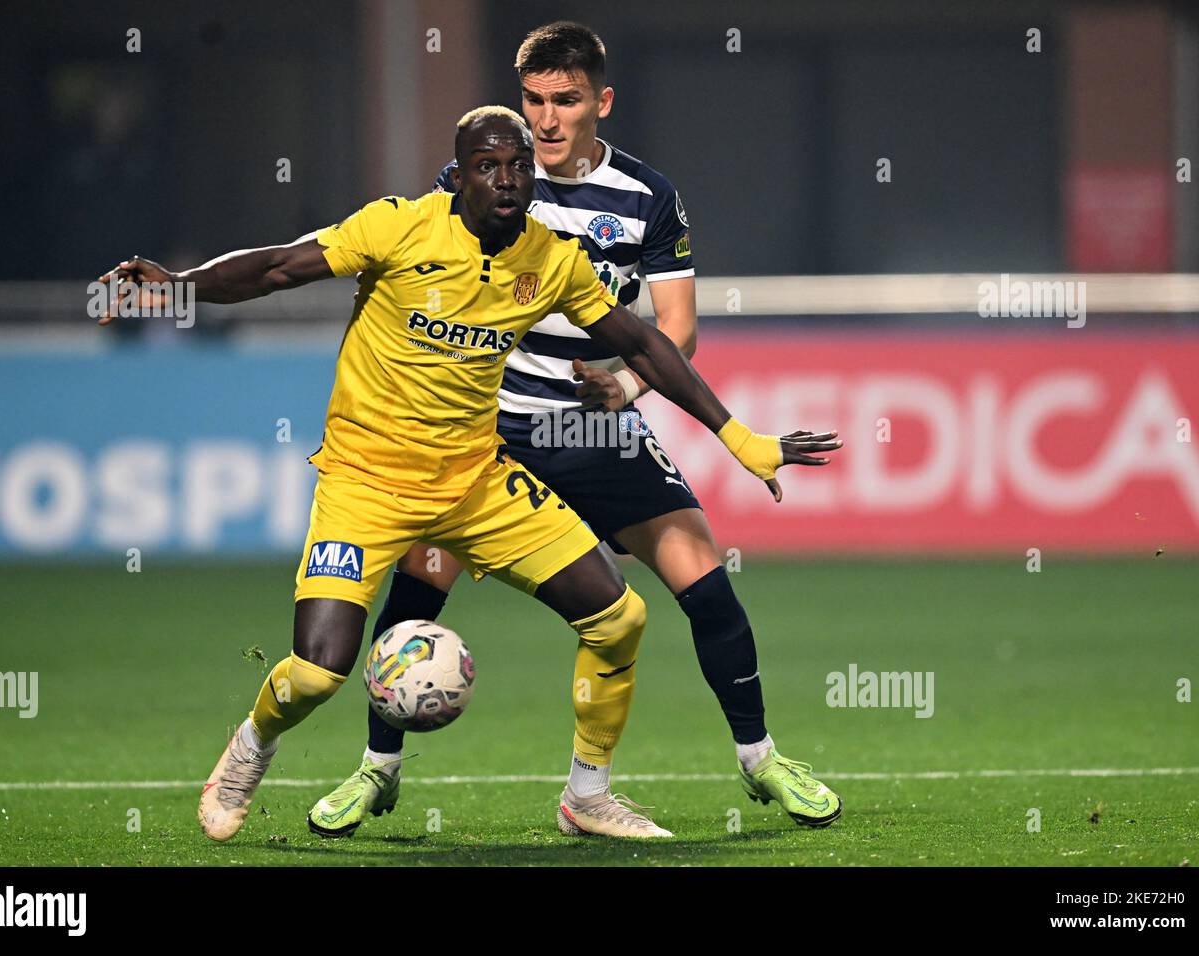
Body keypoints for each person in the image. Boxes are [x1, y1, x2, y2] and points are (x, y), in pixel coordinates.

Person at [97, 106, 842, 842]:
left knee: (619, 618)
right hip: (365, 482)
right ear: (458, 177)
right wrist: (179, 285)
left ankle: (588, 795)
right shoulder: (399, 225)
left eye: (519, 166)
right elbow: (279, 267)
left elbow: (643, 343)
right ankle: (252, 747)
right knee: (320, 671)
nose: (507, 180)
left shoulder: (548, 260)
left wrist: (737, 438)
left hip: (475, 482)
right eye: (488, 166)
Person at [309, 21, 844, 839]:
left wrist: (625, 388)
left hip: (598, 431)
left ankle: (756, 759)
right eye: (533, 101)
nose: (545, 120)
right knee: (417, 595)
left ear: (602, 101)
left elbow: (674, 329)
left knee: (707, 586)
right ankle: (377, 773)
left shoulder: (647, 197)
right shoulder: (486, 178)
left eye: (564, 101)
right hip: (489, 435)